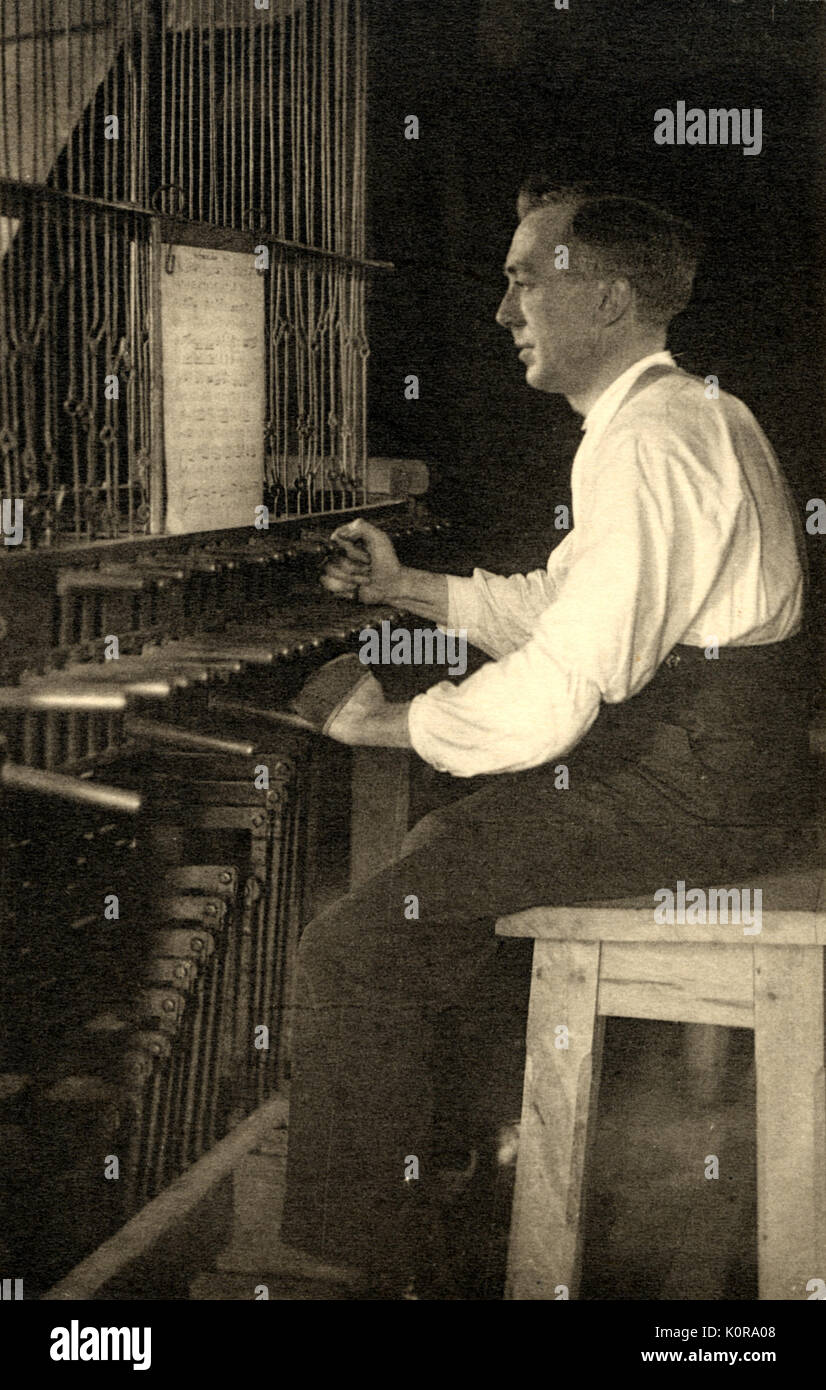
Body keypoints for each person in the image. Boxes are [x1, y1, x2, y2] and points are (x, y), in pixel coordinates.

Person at [279, 182, 814, 1297]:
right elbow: (564, 610)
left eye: (527, 277)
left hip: (691, 794)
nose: (501, 308)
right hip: (713, 771)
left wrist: (392, 723)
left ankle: (360, 1268)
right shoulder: (677, 413)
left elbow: (566, 683)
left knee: (349, 947)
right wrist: (409, 587)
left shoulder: (652, 446)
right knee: (441, 858)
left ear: (608, 297)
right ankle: (448, 1169)